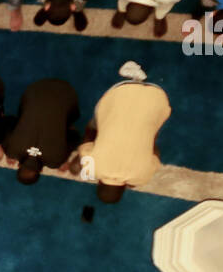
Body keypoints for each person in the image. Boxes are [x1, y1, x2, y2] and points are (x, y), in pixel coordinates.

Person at [71, 67, 171, 203]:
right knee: (93, 128)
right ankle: (134, 80)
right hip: (119, 90)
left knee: (149, 134)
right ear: (99, 183)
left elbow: (155, 153)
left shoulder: (142, 177)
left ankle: (140, 83)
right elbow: (86, 143)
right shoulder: (91, 169)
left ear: (124, 189)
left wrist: (134, 180)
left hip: (158, 96)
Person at [3, 79, 81, 185]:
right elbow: (8, 120)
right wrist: (8, 147)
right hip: (35, 89)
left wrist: (64, 157)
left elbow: (76, 136)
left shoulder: (56, 161)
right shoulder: (11, 150)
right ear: (18, 166)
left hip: (67, 93)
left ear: (41, 171)